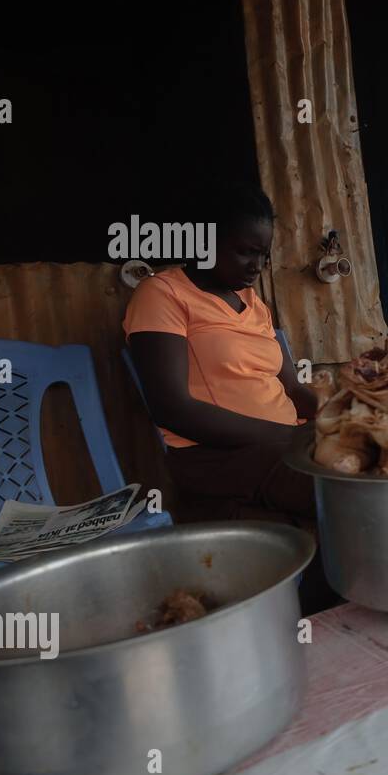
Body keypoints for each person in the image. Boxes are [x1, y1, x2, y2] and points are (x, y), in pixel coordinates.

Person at [123, 182, 337, 611]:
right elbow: (172, 408)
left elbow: (293, 389)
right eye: (244, 251)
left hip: (282, 445)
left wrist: (341, 416)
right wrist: (284, 439)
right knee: (340, 493)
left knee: (368, 462)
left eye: (263, 254)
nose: (256, 264)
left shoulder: (252, 303)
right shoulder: (162, 296)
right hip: (214, 453)